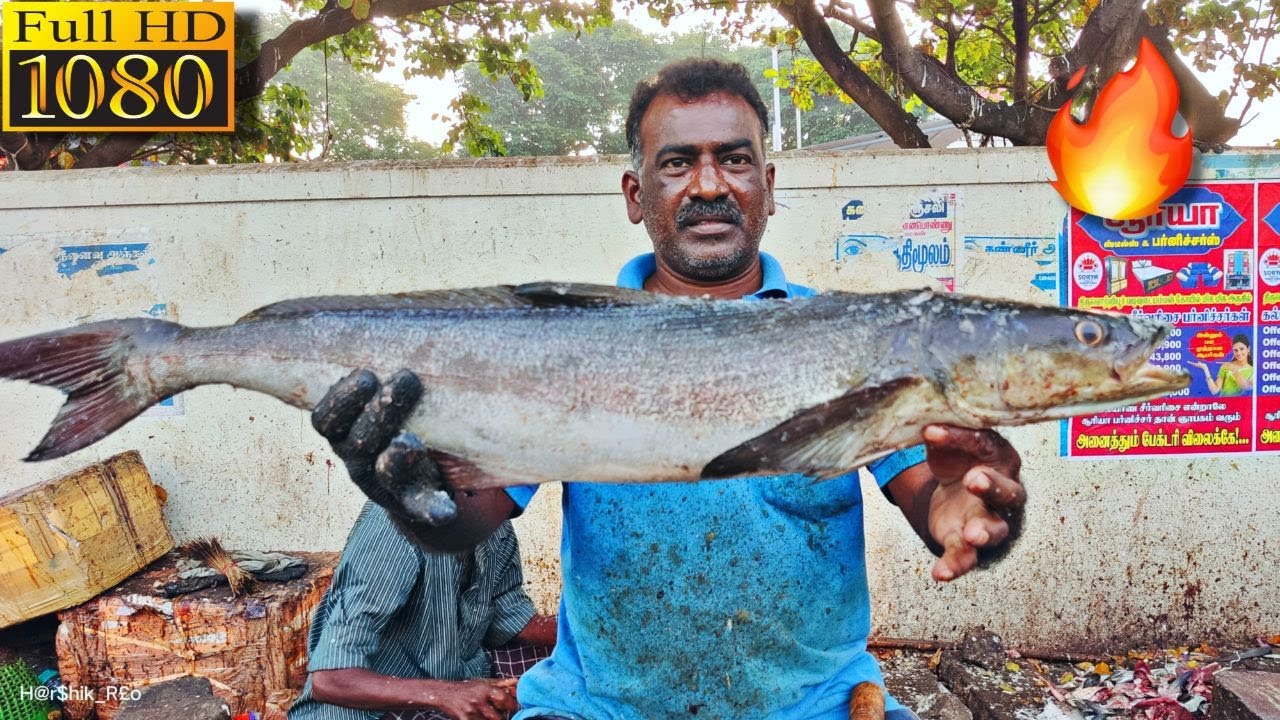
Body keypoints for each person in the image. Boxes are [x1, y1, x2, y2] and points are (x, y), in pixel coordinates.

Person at [315, 59, 1025, 719]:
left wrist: (970, 512)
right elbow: (467, 520)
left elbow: (937, 503)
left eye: (734, 160)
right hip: (596, 707)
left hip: (813, 705)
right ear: (636, 194)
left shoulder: (852, 341)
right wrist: (408, 495)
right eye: (678, 163)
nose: (709, 186)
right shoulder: (572, 344)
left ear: (768, 187)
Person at [288, 499, 556, 720]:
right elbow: (331, 680)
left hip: (453, 678)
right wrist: (447, 694)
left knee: (564, 666)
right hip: (374, 707)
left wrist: (579, 629)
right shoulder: (397, 522)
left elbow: (510, 615)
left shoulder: (494, 520)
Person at [1189, 333, 1253, 396]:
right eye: (1236, 350)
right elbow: (1214, 391)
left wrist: (1234, 370)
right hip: (1223, 402)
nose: (1239, 353)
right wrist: (1205, 369)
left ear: (1248, 349)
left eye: (1241, 349)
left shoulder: (1253, 370)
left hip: (1241, 402)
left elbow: (1247, 387)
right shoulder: (1227, 366)